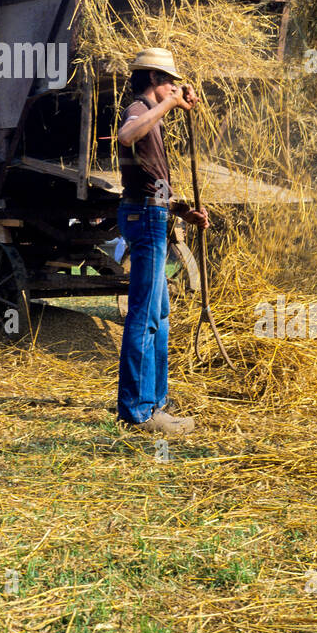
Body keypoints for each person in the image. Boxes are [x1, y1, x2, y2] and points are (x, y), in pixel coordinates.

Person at [114, 48, 208, 437]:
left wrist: (183, 211)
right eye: (169, 81)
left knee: (160, 315)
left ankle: (155, 403)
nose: (173, 88)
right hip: (144, 219)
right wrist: (169, 104)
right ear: (153, 79)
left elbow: (151, 182)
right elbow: (125, 135)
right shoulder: (138, 110)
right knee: (145, 314)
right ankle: (138, 412)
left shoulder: (152, 119)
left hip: (153, 213)